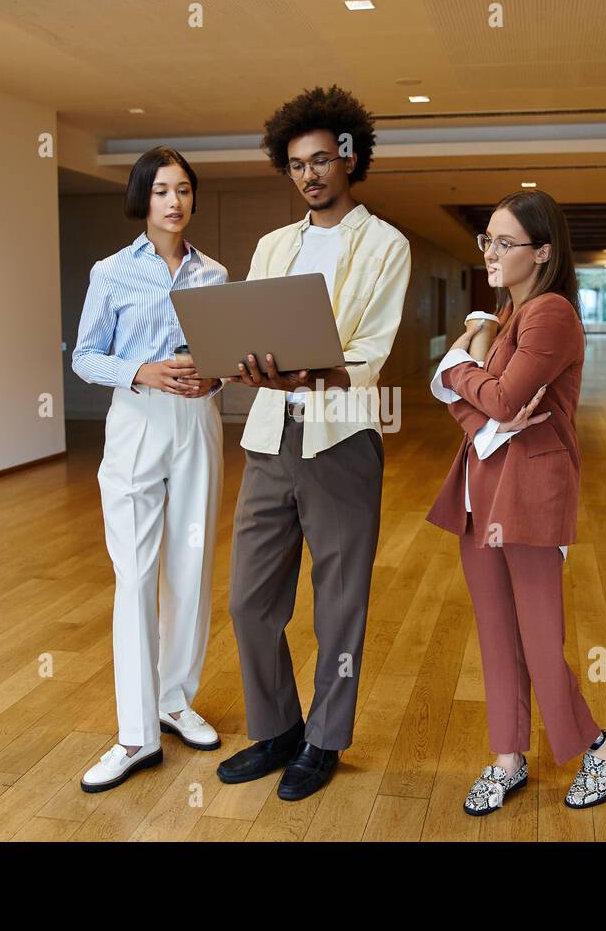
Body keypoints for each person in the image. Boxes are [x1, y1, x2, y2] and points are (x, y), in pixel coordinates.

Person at [214, 85, 411, 801]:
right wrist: (246, 364)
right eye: (296, 164)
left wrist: (310, 371)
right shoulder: (273, 245)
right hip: (270, 434)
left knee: (338, 605)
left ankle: (324, 741)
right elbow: (250, 329)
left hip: (339, 441)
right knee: (249, 602)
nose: (310, 175)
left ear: (350, 159)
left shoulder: (386, 245)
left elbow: (369, 357)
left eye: (322, 160)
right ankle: (278, 729)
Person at [425, 189, 606, 815]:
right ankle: (507, 756)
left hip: (530, 491)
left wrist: (456, 363)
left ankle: (599, 746)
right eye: (486, 239)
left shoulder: (550, 314)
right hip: (479, 486)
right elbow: (485, 409)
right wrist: (478, 394)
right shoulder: (505, 316)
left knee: (540, 638)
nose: (490, 251)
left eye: (505, 242)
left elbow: (504, 401)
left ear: (543, 252)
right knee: (494, 630)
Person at [72, 146, 228, 793]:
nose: (175, 200)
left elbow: (224, 359)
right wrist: (140, 369)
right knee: (135, 574)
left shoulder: (214, 274)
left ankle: (174, 701)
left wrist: (213, 377)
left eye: (184, 189)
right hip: (136, 422)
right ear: (144, 198)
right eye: (162, 189)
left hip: (197, 424)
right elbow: (84, 356)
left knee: (189, 569)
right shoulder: (110, 273)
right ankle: (135, 734)